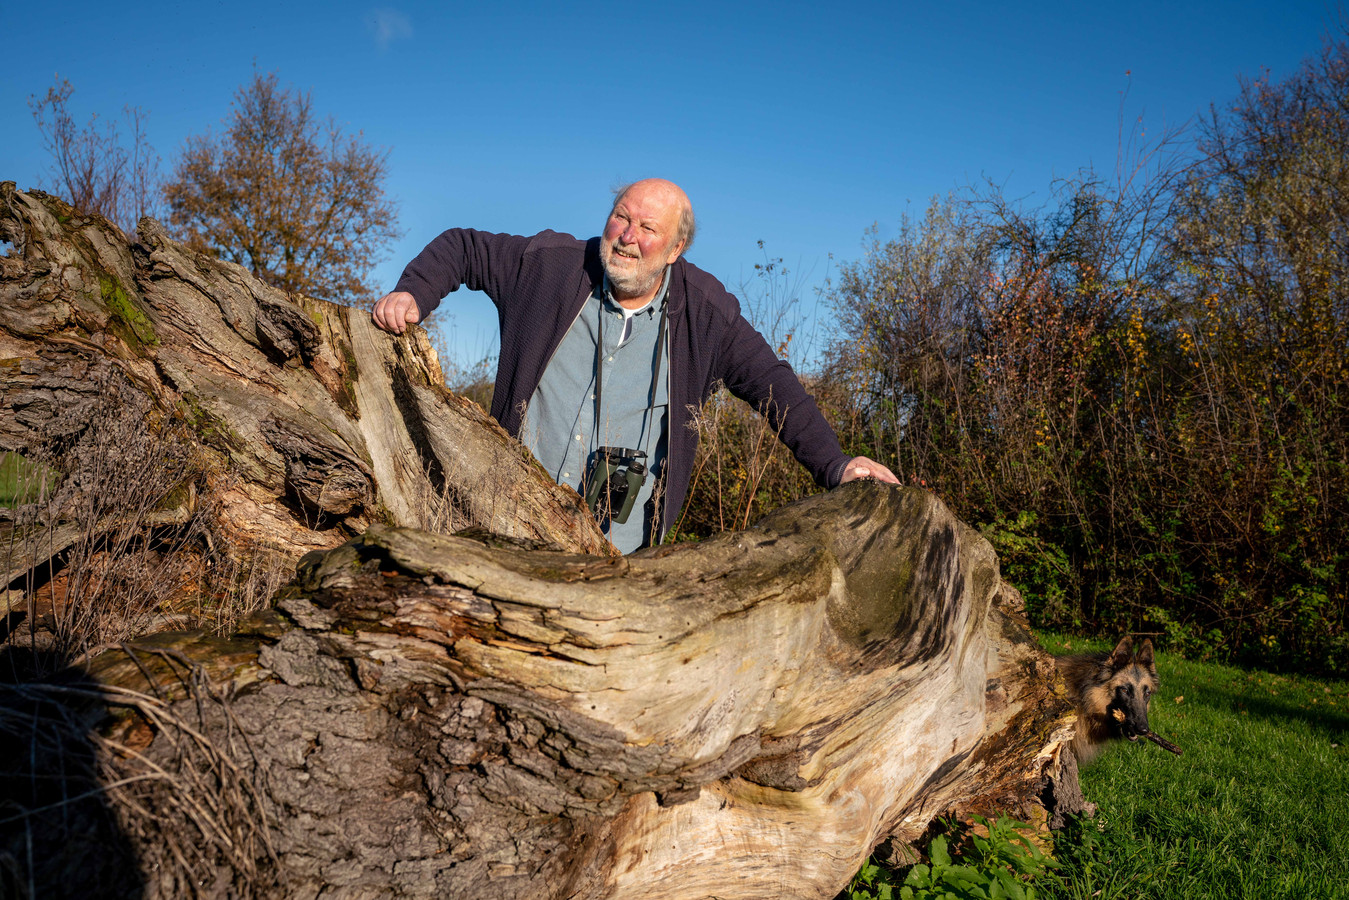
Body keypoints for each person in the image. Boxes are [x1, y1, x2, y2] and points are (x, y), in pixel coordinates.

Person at [372, 179, 898, 552]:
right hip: (500, 529)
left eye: (648, 227)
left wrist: (836, 464)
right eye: (621, 216)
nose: (627, 235)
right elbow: (464, 246)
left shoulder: (706, 314)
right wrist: (413, 292)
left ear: (675, 248)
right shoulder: (549, 267)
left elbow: (774, 385)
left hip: (618, 565)